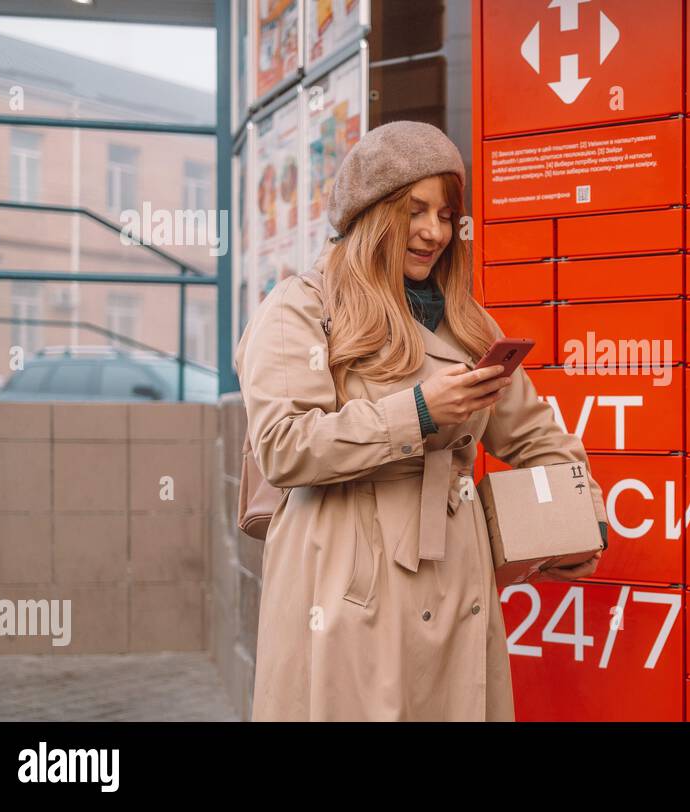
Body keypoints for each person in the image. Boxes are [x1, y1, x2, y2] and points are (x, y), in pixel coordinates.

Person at [233, 120, 609, 721]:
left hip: (457, 579)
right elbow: (284, 446)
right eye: (414, 211)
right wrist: (418, 413)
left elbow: (540, 438)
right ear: (372, 211)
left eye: (445, 214)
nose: (434, 232)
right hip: (343, 583)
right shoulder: (300, 307)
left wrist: (576, 517)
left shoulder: (468, 323)